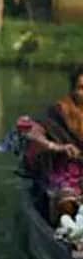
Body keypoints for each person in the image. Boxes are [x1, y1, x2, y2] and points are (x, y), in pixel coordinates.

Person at [18, 66, 83, 219]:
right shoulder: (58, 112)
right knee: (66, 204)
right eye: (81, 87)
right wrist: (57, 147)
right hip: (65, 174)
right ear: (73, 90)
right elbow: (32, 132)